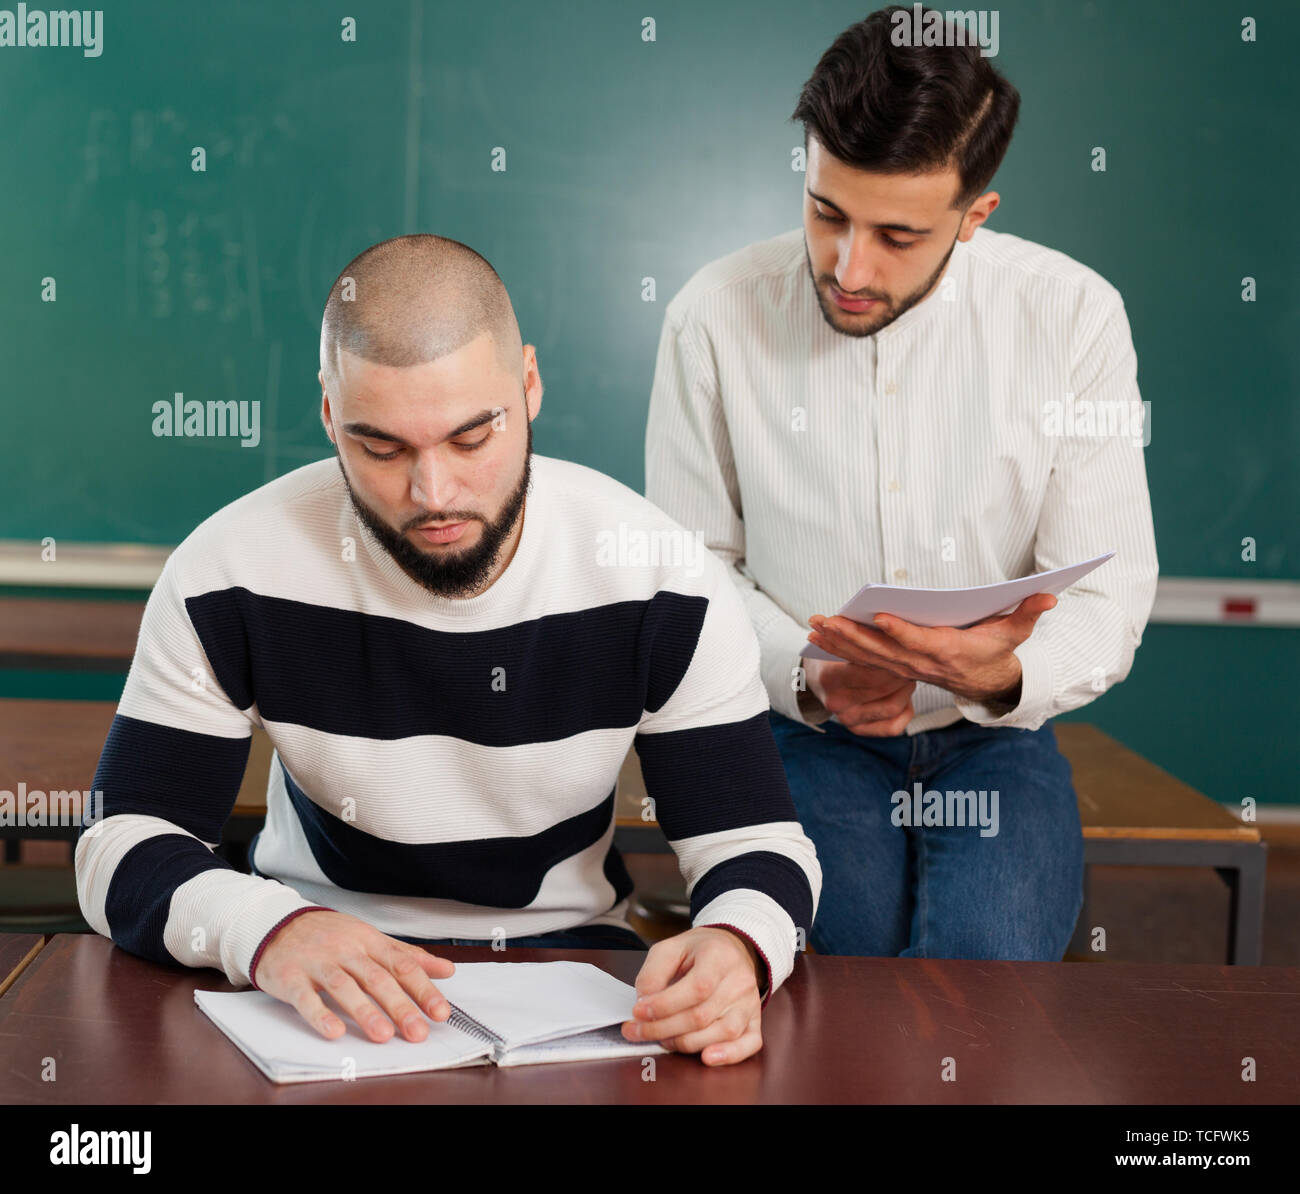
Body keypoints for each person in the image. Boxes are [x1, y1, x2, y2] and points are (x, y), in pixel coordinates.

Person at [76, 233, 820, 1067]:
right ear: (328, 413)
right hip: (307, 974)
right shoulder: (229, 571)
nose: (433, 494)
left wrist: (739, 944)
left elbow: (753, 843)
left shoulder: (659, 580)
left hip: (570, 971)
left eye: (472, 439)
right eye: (380, 447)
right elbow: (120, 841)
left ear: (529, 385)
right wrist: (269, 930)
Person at [644, 6, 1157, 960]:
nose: (848, 268)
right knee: (839, 976)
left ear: (975, 218)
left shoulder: (1075, 318)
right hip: (802, 730)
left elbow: (1108, 592)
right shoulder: (711, 317)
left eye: (897, 235)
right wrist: (810, 671)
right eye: (827, 213)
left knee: (988, 975)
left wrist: (999, 674)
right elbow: (691, 568)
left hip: (993, 734)